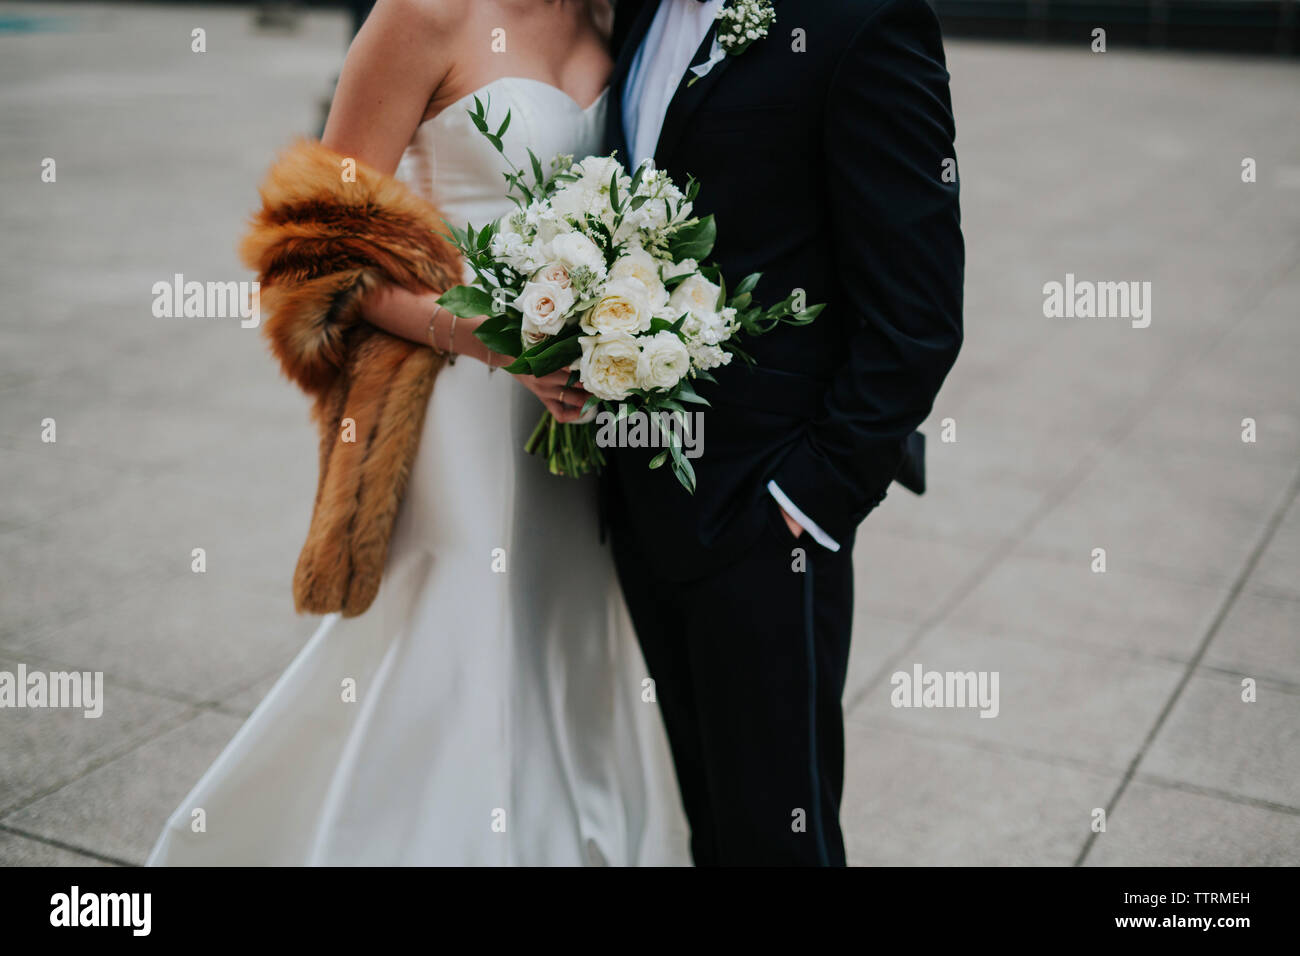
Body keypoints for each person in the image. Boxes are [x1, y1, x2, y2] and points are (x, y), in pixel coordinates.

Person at [148, 0, 689, 866]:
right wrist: (485, 337)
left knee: (568, 627)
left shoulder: (615, 18)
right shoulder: (423, 15)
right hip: (456, 411)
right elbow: (314, 253)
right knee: (460, 630)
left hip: (585, 411)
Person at [606, 0, 964, 865]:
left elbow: (918, 314)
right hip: (641, 491)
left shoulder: (863, 22)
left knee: (780, 833)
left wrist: (807, 497)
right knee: (711, 821)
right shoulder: (633, 10)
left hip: (770, 515)